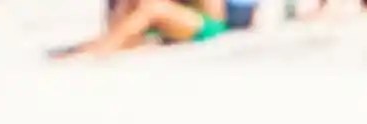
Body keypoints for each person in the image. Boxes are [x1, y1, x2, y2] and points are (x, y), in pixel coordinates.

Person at [53, 0, 259, 58]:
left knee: (153, 7)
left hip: (209, 25)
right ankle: (109, 42)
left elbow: (216, 17)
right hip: (174, 22)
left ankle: (103, 47)